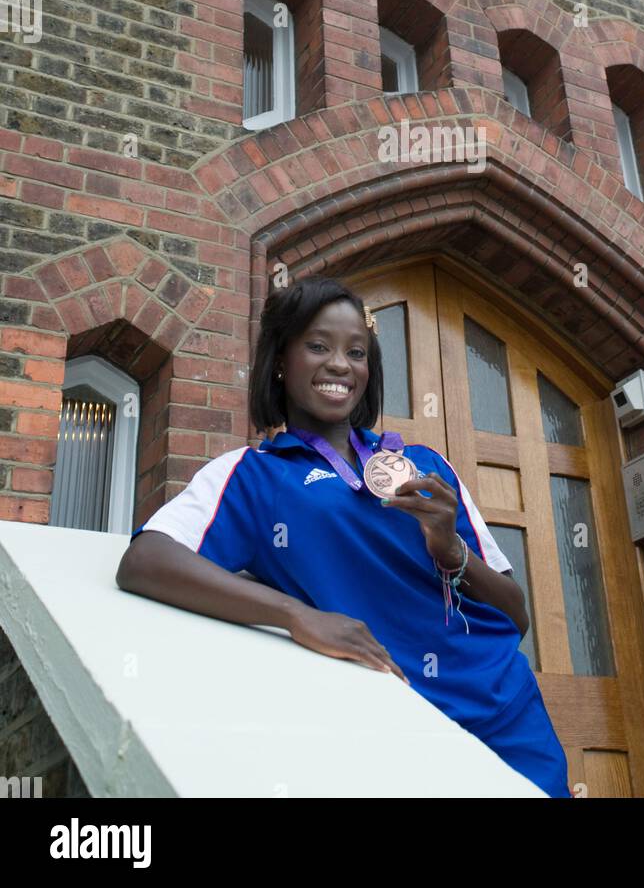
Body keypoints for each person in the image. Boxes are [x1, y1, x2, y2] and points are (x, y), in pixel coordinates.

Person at [115, 275, 572, 799]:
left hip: (509, 715)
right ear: (282, 361)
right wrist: (297, 616)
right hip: (400, 727)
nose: (340, 364)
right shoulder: (252, 474)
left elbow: (516, 616)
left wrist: (451, 550)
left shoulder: (424, 466)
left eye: (357, 352)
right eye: (318, 346)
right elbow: (145, 561)